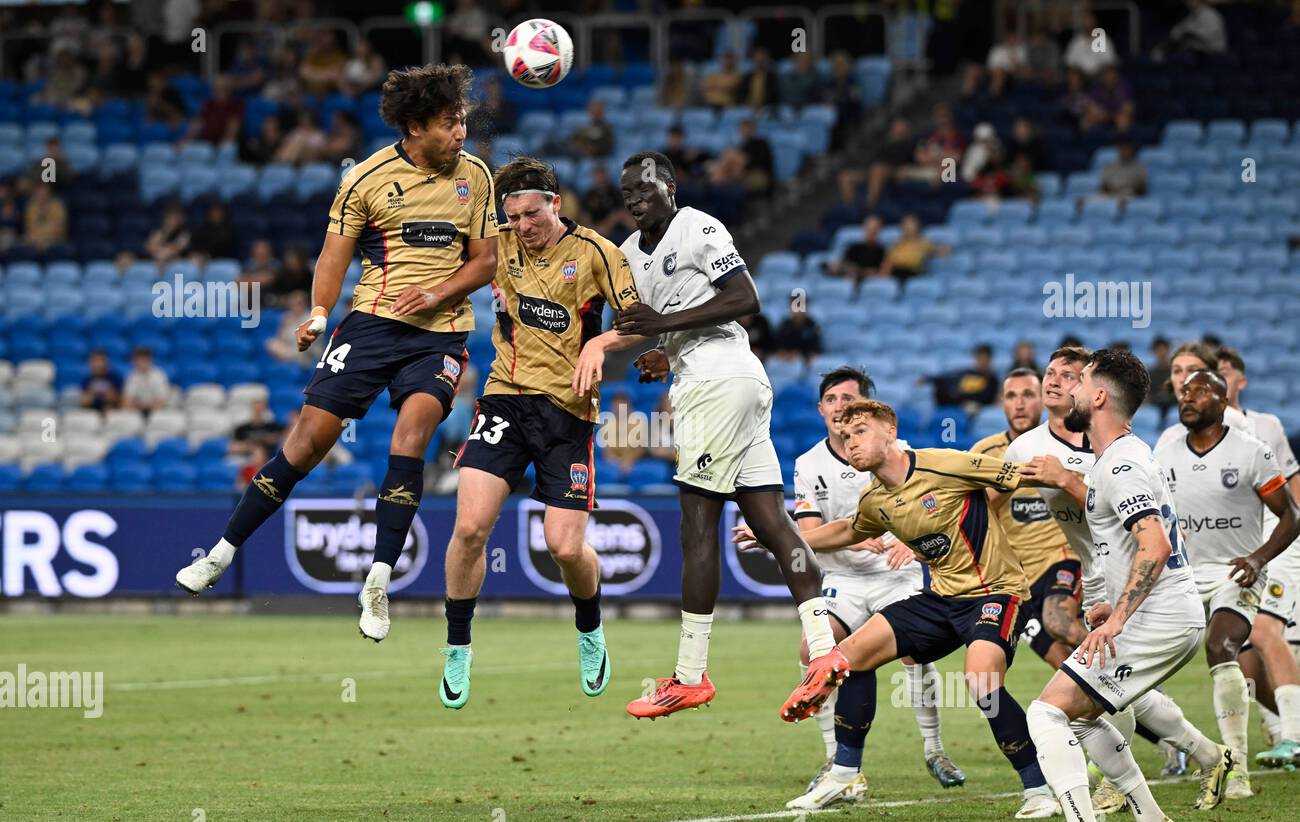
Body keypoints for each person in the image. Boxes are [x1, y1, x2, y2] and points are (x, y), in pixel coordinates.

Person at [174, 64, 499, 646]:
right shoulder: (366, 179)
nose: (462, 132)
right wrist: (320, 313)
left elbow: (485, 261)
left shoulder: (475, 177)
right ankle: (222, 553)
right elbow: (333, 256)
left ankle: (378, 577)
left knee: (413, 433)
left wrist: (438, 292)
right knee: (306, 443)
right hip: (370, 326)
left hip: (441, 332)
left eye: (464, 120)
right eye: (451, 123)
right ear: (417, 125)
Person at [613, 150, 836, 719]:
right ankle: (829, 652)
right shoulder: (628, 254)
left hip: (719, 381)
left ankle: (689, 676)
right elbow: (679, 318)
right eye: (626, 192)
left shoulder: (698, 225)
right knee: (769, 521)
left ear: (670, 185)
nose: (634, 197)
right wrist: (666, 351)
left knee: (697, 526)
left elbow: (745, 299)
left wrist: (662, 329)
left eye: (644, 187)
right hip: (723, 379)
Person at [765, 400, 1057, 819]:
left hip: (997, 593)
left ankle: (1038, 788)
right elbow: (848, 529)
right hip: (942, 599)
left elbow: (1017, 476)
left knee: (981, 681)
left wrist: (1077, 483)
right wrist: (784, 537)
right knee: (852, 655)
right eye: (845, 437)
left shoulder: (946, 463)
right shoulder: (874, 499)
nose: (851, 443)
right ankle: (844, 772)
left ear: (890, 430)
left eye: (860, 431)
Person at [1012, 350, 1233, 822]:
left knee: (1047, 713)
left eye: (1081, 380)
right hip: (1161, 614)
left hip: (1160, 619)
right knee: (1084, 718)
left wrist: (1118, 618)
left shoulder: (1123, 464)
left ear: (1099, 396)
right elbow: (1133, 546)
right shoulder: (1115, 459)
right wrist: (1107, 601)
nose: (1070, 389)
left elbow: (1154, 546)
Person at [440, 156, 640, 708]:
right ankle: (458, 645)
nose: (522, 227)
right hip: (505, 396)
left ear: (556, 202)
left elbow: (637, 320)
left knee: (564, 547)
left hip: (568, 412)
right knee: (472, 527)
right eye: (513, 217)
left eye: (531, 214)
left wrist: (600, 343)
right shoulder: (497, 243)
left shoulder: (599, 253)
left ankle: (589, 628)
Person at [775, 367, 964, 810]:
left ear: (866, 408)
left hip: (895, 576)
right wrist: (853, 536)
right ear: (821, 409)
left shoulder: (898, 454)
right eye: (832, 399)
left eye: (849, 399)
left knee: (914, 651)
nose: (840, 407)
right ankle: (835, 764)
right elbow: (810, 530)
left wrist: (906, 542)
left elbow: (928, 514)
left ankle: (934, 748)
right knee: (813, 650)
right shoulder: (808, 464)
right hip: (844, 579)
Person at [1156, 369, 1300, 793]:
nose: (1188, 397)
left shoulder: (1251, 451)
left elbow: (1291, 515)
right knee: (1140, 663)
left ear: (1222, 401)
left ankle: (1237, 769)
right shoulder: (1165, 455)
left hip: (1237, 571)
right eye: (1184, 391)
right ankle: (1173, 755)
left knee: (1220, 646)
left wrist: (1258, 558)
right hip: (1184, 575)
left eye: (1200, 391)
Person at [1217, 347, 1300, 767]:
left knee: (1267, 632)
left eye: (1225, 372)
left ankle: (1294, 737)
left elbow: (1292, 487)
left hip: (1278, 542)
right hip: (1238, 552)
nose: (1218, 379)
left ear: (1241, 380)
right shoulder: (1183, 436)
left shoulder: (1266, 426)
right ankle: (1281, 726)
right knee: (1242, 652)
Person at [972, 368, 1085, 670]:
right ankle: (1119, 708)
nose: (1019, 404)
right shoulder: (985, 454)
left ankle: (1129, 675)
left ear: (1042, 400)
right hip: (1016, 579)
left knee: (1060, 623)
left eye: (1028, 395)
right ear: (1002, 403)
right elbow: (968, 511)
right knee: (1062, 665)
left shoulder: (1066, 446)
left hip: (1060, 558)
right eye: (1011, 396)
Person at [881, 213, 949, 281]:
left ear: (917, 227)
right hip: (895, 273)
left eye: (911, 225)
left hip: (912, 273)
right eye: (905, 225)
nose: (908, 228)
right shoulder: (896, 244)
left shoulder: (923, 243)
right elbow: (888, 262)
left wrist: (946, 249)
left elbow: (939, 250)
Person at [823, 215, 885, 281]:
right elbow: (845, 264)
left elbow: (881, 272)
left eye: (874, 229)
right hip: (849, 280)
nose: (871, 232)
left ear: (880, 230)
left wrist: (861, 272)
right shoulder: (854, 248)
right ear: (864, 229)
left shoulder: (883, 252)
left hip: (870, 283)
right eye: (869, 229)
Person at [122, 346, 170, 415]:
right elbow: (127, 401)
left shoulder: (159, 376)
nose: (140, 363)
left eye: (143, 361)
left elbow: (162, 401)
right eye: (137, 361)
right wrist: (141, 407)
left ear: (150, 360)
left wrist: (147, 408)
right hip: (137, 412)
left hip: (158, 413)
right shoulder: (131, 377)